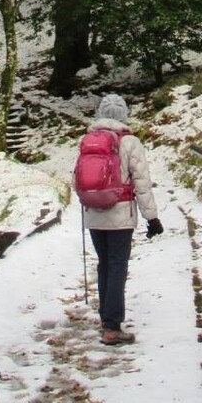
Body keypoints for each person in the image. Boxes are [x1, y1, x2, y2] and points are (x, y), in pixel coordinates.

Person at [82, 93, 162, 346]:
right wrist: (152, 217)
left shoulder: (87, 140)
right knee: (118, 265)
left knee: (104, 263)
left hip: (93, 212)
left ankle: (106, 317)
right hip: (120, 213)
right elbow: (142, 183)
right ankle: (112, 327)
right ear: (124, 114)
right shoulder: (130, 143)